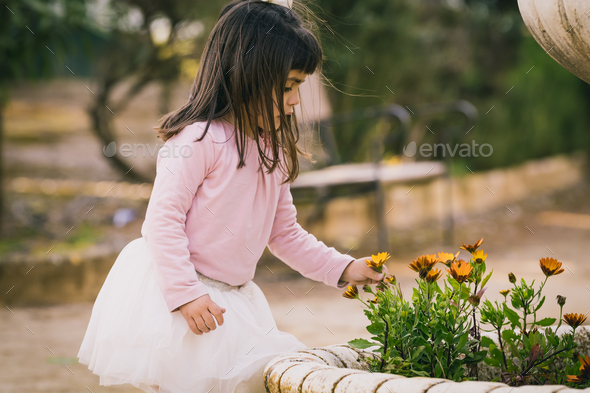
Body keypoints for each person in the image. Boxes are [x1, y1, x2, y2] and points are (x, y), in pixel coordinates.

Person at [76, 0, 390, 392]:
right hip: (179, 294)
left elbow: (285, 234)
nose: (295, 101)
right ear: (249, 75)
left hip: (233, 302)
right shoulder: (197, 141)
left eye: (299, 87)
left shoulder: (271, 148)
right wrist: (186, 295)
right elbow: (162, 222)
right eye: (289, 86)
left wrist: (343, 269)